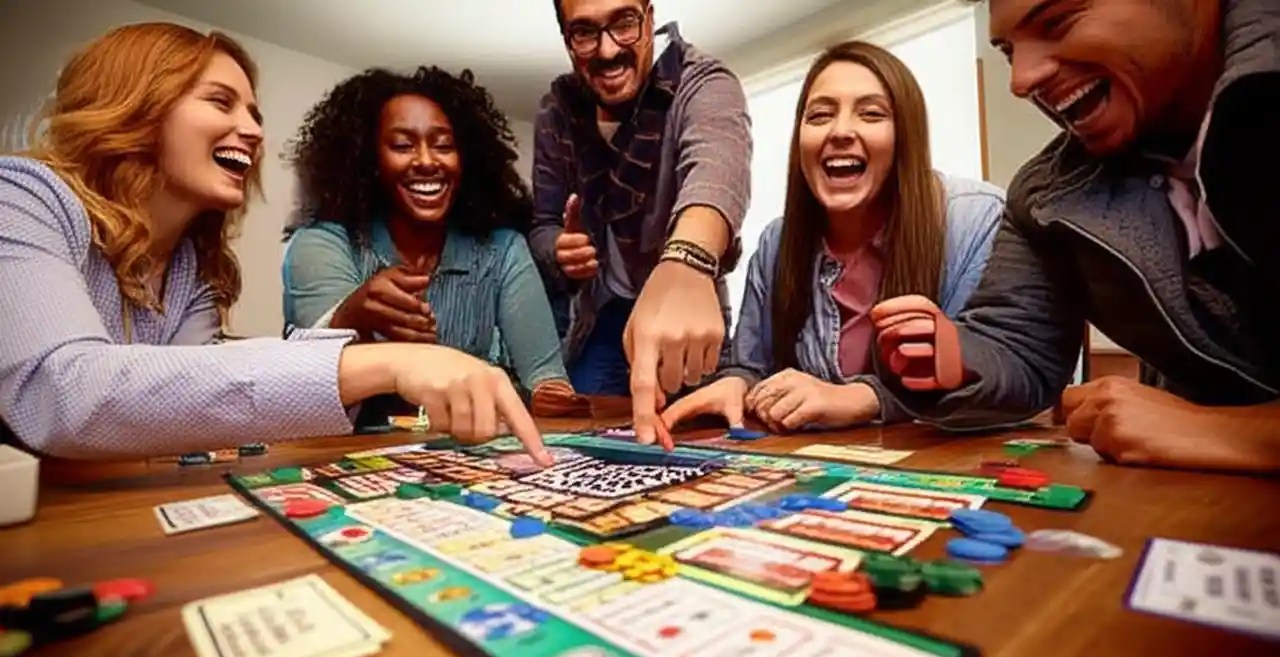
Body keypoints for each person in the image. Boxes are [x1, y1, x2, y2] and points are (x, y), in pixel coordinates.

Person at [0, 22, 551, 463]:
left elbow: (190, 402)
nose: (255, 130)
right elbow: (64, 395)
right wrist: (391, 362)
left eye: (254, 113)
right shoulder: (20, 195)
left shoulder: (192, 265)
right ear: (136, 105)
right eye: (221, 102)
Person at [875, 0, 1279, 473]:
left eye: (1057, 22)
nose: (1020, 81)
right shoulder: (1042, 197)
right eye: (1008, 52)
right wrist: (956, 358)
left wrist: (1229, 433)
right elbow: (1017, 346)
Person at [660, 42, 1002, 433]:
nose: (840, 131)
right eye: (820, 115)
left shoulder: (975, 218)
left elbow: (995, 373)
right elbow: (751, 365)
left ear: (905, 134)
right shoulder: (775, 243)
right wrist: (736, 384)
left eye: (871, 114)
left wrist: (859, 398)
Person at [281, 66, 582, 416]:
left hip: (470, 455)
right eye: (402, 145)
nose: (426, 161)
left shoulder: (503, 250)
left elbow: (546, 380)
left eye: (443, 145)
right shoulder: (321, 245)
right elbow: (308, 386)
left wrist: (554, 399)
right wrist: (352, 317)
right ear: (369, 161)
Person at [533, 0, 752, 446]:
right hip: (599, 322)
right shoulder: (555, 111)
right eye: (585, 33)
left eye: (624, 23)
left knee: (706, 444)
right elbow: (540, 225)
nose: (608, 49)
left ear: (650, 17)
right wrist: (558, 246)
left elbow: (716, 169)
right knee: (586, 448)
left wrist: (686, 262)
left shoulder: (704, 81)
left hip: (687, 310)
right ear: (566, 39)